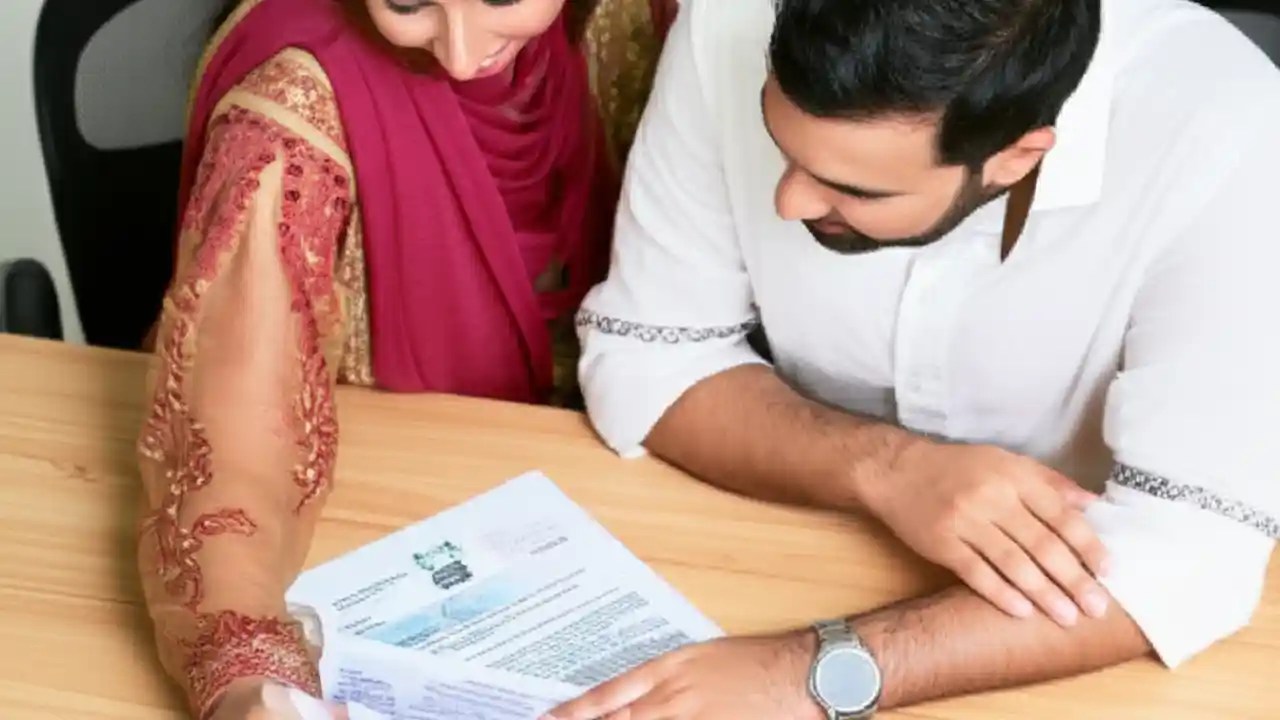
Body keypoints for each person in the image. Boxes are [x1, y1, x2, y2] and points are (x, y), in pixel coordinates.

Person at [561, 0, 1280, 716]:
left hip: (1069, 654)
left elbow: (1189, 556)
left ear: (1017, 156)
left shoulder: (1230, 131)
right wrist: (889, 470)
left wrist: (808, 676)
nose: (787, 202)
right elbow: (646, 361)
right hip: (770, 551)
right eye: (777, 144)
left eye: (854, 190)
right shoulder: (733, 20)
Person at [134, 0, 675, 718]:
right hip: (388, 508)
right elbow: (230, 460)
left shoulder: (621, 15)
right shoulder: (290, 109)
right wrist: (250, 688)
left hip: (616, 494)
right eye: (409, 4)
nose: (458, 52)